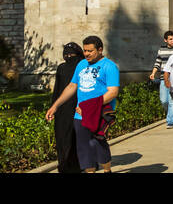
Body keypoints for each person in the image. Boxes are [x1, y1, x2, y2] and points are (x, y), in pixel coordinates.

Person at [45, 35, 119, 173]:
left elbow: (113, 92)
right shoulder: (81, 64)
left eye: (90, 51)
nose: (86, 54)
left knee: (97, 144)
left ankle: (107, 169)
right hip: (80, 115)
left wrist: (90, 107)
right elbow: (72, 86)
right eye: (85, 50)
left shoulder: (109, 66)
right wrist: (55, 106)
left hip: (99, 113)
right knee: (84, 147)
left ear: (100, 50)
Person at [51, 42, 84, 172]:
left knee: (75, 136)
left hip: (76, 108)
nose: (69, 57)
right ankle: (69, 163)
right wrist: (54, 107)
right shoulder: (62, 68)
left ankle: (73, 163)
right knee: (65, 137)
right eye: (66, 54)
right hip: (65, 109)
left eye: (71, 54)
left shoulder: (82, 67)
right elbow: (58, 89)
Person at [148, 30, 173, 126]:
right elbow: (158, 62)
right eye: (171, 39)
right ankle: (170, 114)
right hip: (163, 78)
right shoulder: (161, 49)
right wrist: (153, 73)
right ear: (165, 40)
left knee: (171, 100)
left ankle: (170, 121)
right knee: (164, 100)